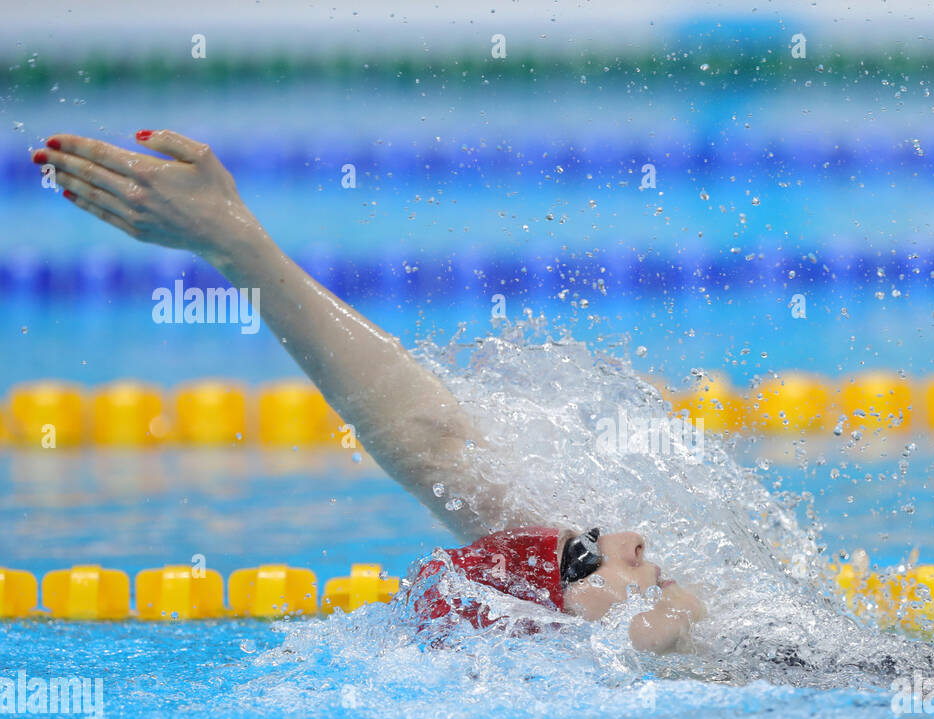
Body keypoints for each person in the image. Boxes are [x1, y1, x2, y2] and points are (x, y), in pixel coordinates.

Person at [32, 129, 706, 652]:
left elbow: (439, 451)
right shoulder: (630, 660)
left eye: (585, 541)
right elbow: (435, 449)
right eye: (586, 558)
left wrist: (236, 244)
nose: (636, 539)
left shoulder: (665, 638)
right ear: (557, 628)